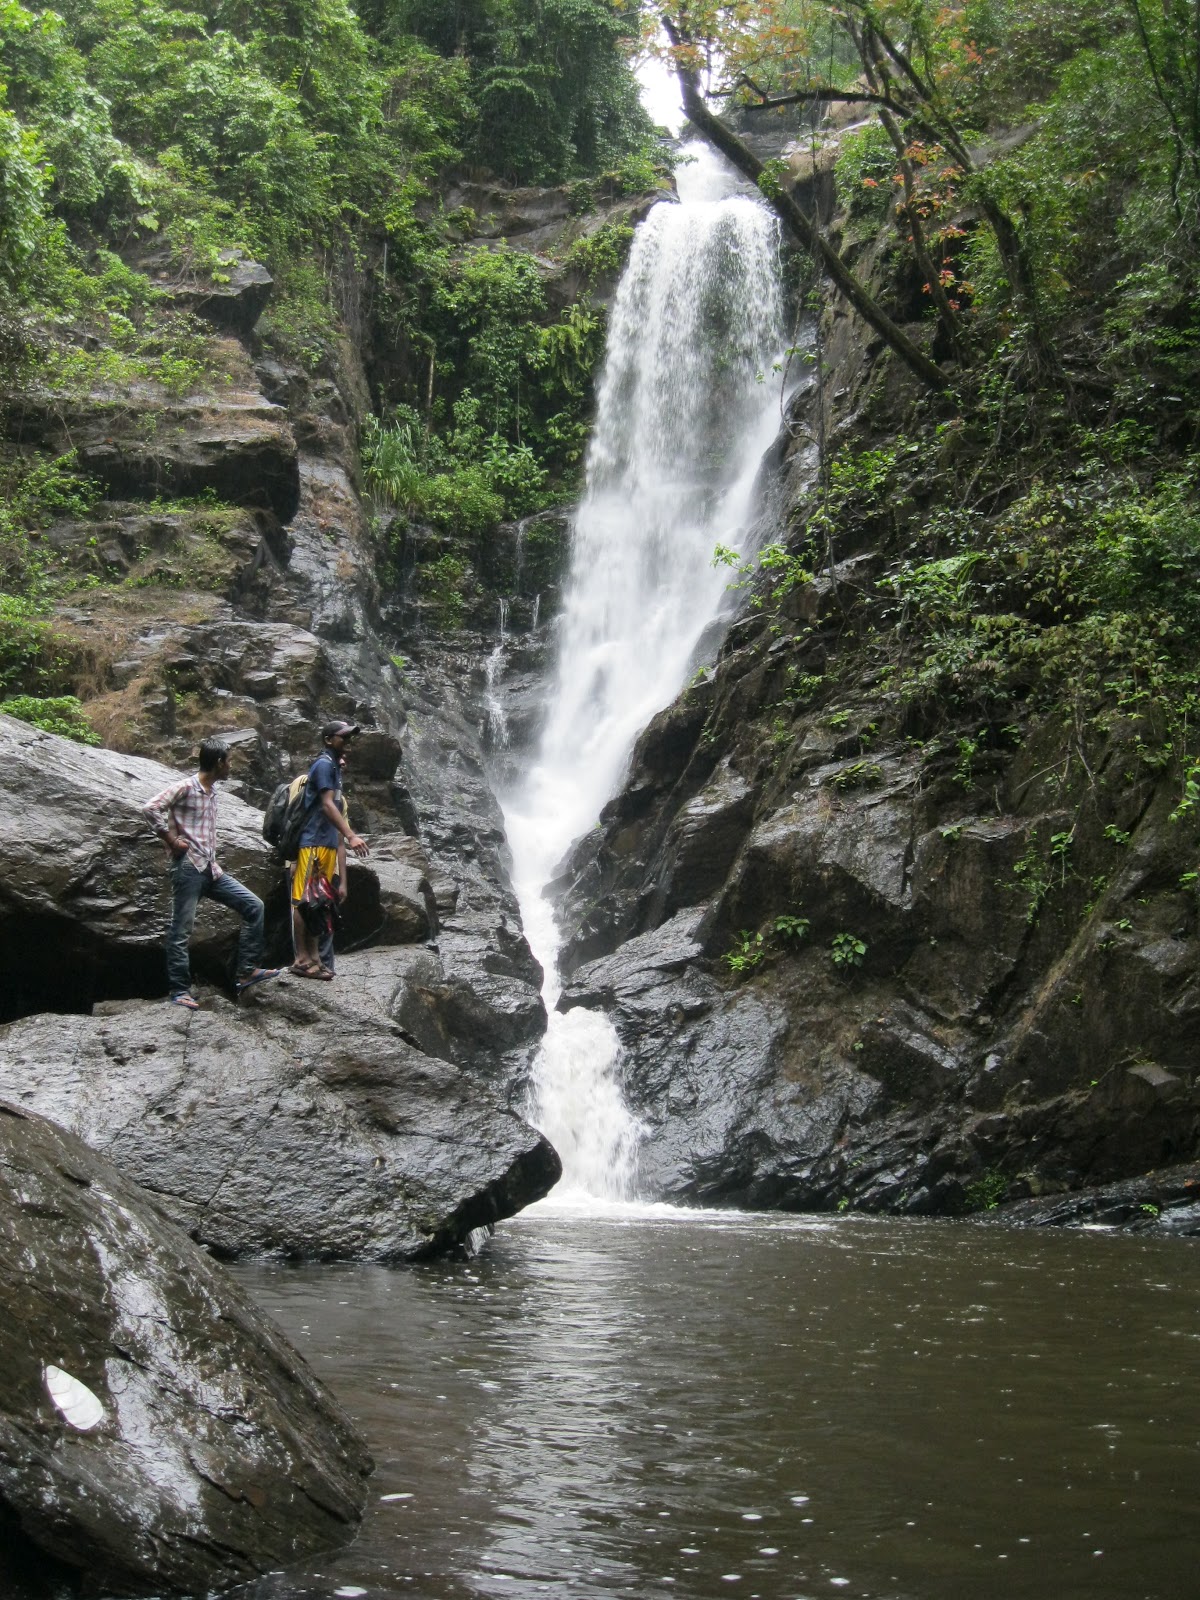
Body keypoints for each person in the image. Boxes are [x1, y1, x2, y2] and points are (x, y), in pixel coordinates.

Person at [142, 738, 284, 1009]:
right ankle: (179, 990)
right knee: (181, 930)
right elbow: (150, 808)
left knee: (254, 906)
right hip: (188, 868)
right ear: (219, 763)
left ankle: (246, 972)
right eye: (228, 761)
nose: (231, 766)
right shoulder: (186, 787)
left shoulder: (212, 791)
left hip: (210, 869)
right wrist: (170, 840)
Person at [290, 720, 370, 979]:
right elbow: (326, 805)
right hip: (312, 842)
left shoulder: (333, 767)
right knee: (304, 900)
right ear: (328, 740)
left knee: (318, 901)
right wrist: (351, 835)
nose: (348, 742)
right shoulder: (324, 765)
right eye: (343, 737)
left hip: (326, 844)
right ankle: (302, 959)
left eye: (349, 738)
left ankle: (315, 958)